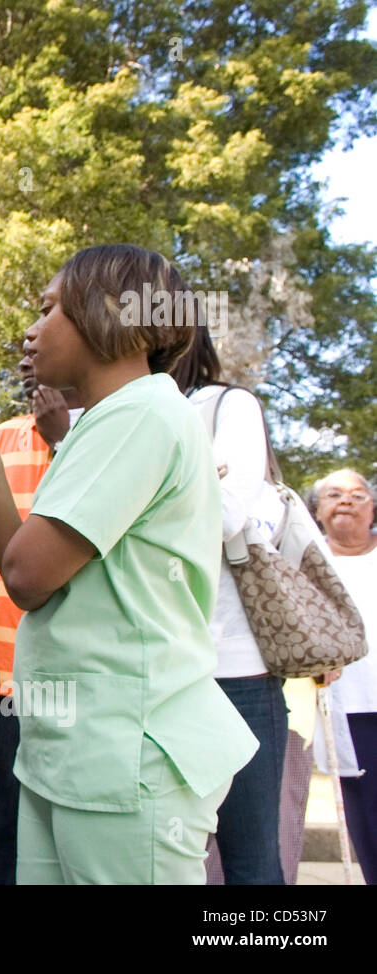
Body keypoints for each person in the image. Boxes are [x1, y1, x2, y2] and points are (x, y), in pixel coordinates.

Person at [0, 244, 258, 884]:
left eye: (50, 308)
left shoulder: (138, 414)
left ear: (110, 311)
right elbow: (31, 566)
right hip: (84, 753)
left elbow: (24, 581)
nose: (32, 329)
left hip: (125, 755)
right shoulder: (109, 421)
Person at [166, 326, 291, 884]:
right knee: (160, 859)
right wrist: (188, 486)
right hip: (157, 672)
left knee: (250, 863)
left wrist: (151, 492)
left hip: (234, 674)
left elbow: (223, 519)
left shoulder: (228, 406)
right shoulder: (107, 412)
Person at [0, 355, 81, 884]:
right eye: (23, 354)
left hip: (76, 683)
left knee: (62, 838)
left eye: (41, 344)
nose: (28, 357)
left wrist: (64, 438)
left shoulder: (110, 432)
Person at [310, 469, 377, 884]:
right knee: (368, 823)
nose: (346, 501)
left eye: (357, 494)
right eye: (334, 495)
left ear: (372, 507)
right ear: (318, 511)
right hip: (349, 710)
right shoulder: (306, 561)